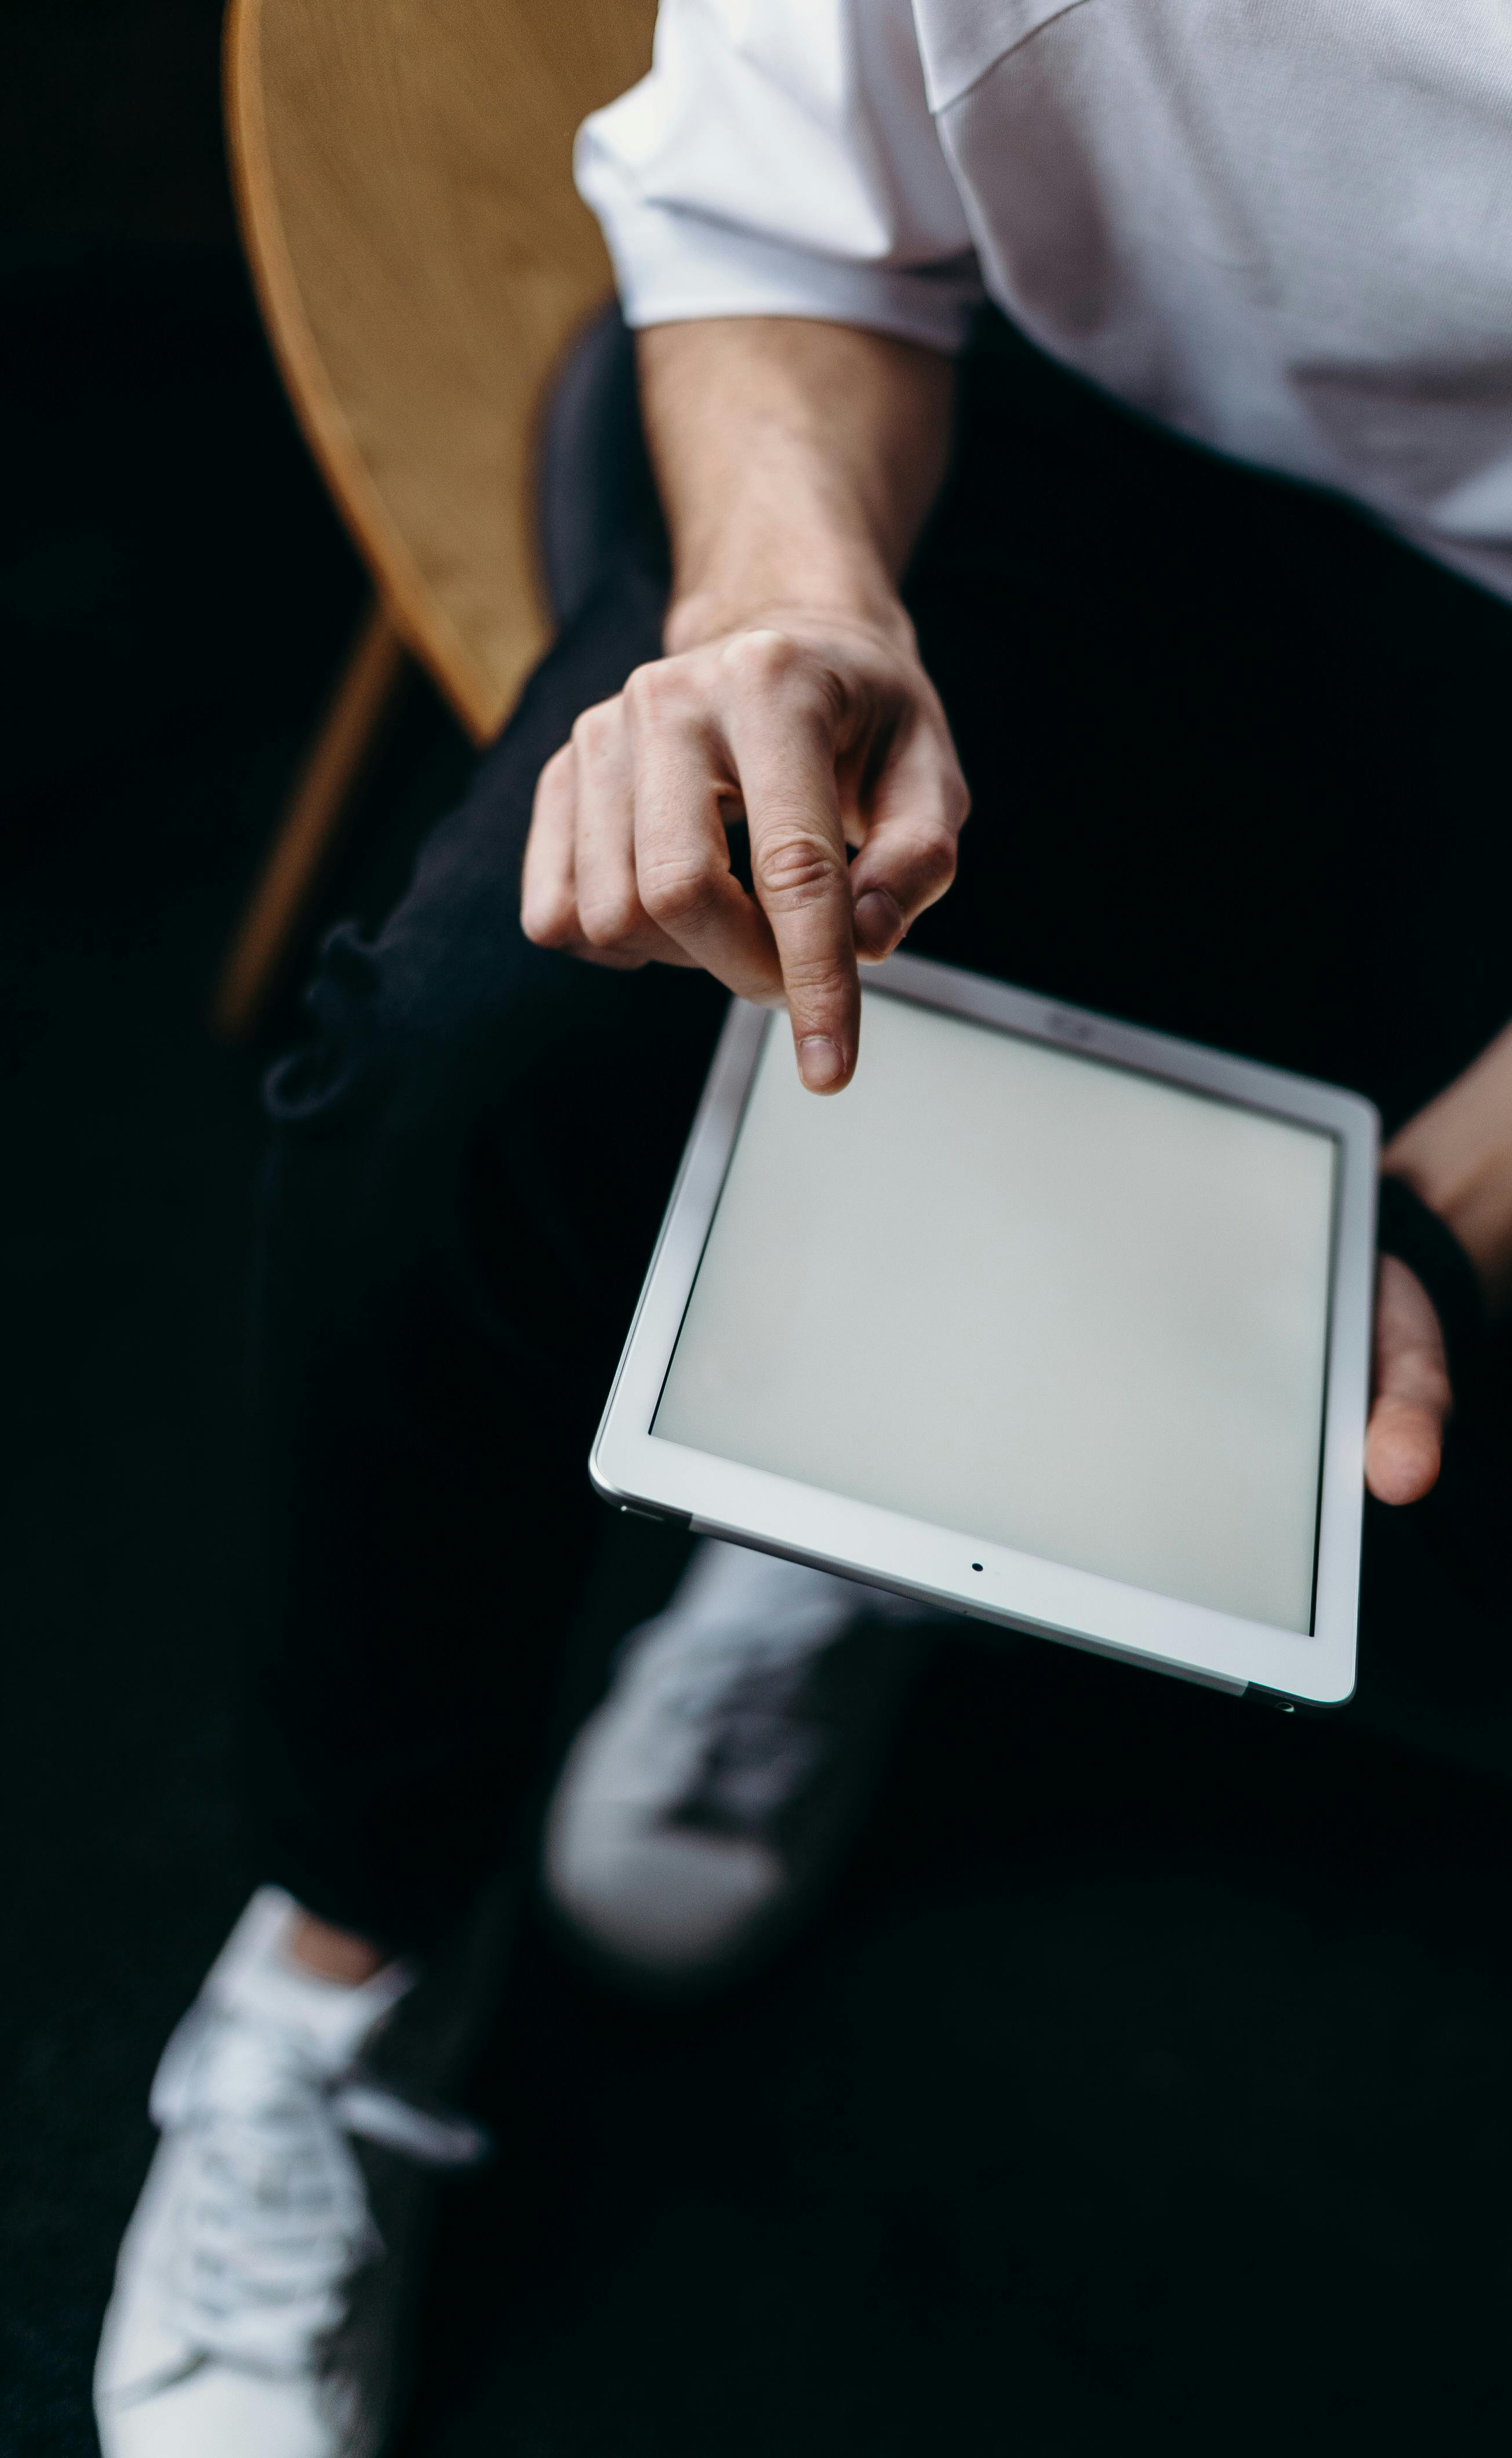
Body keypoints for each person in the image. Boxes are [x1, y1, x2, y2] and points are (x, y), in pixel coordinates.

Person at [96, 2, 1512, 2450]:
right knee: (466, 1051)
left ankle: (857, 1496)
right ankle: (341, 1954)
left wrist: (1453, 1208)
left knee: (1379, 1412)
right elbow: (779, 202)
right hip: (1025, 418)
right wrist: (787, 604)